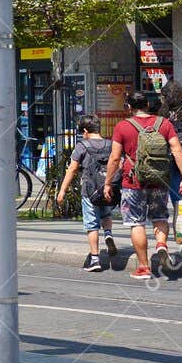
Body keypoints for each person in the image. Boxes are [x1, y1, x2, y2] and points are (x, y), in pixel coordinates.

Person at [103, 90, 182, 280]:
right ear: (148, 105)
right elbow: (177, 150)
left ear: (129, 107)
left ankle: (144, 267)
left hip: (133, 181)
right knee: (160, 216)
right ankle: (161, 245)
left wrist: (108, 182)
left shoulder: (122, 126)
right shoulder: (164, 123)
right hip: (159, 180)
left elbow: (114, 158)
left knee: (136, 223)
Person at [55, 115, 118, 272]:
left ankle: (95, 259)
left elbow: (72, 169)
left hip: (89, 191)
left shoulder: (82, 146)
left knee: (91, 224)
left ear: (85, 131)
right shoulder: (110, 144)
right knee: (106, 214)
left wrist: (62, 190)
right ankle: (108, 233)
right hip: (107, 188)